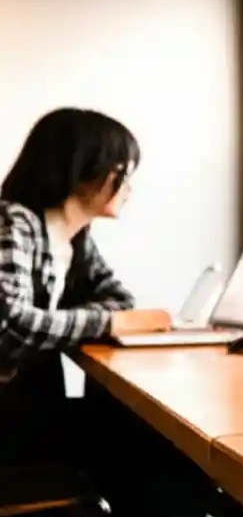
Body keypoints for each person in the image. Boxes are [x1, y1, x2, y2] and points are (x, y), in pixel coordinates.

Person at [0, 108, 172, 449]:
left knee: (144, 432)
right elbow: (9, 325)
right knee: (143, 439)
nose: (128, 188)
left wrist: (105, 319)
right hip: (10, 409)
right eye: (121, 172)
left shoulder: (75, 237)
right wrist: (109, 323)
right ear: (82, 169)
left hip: (29, 400)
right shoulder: (12, 222)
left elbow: (120, 299)